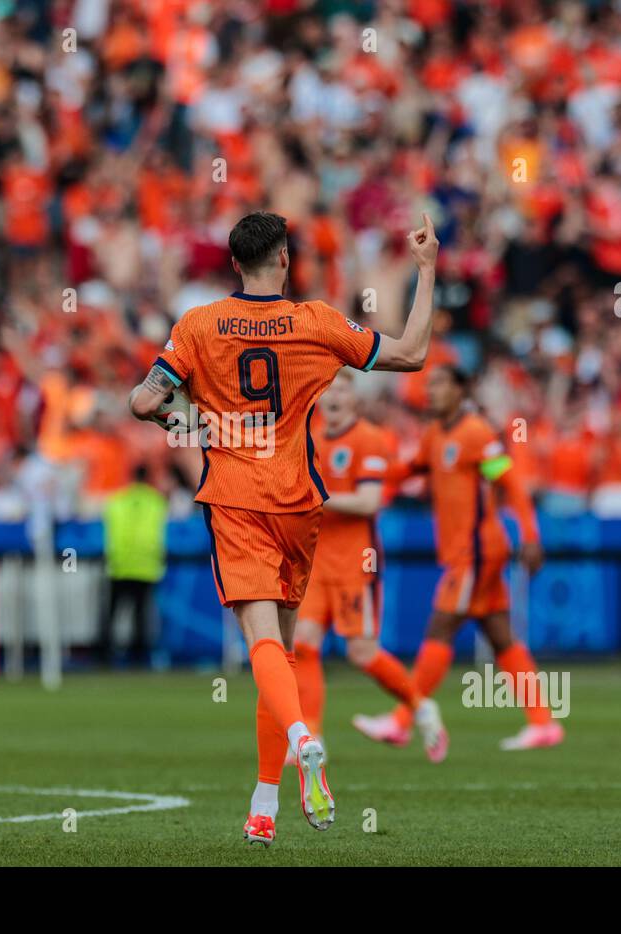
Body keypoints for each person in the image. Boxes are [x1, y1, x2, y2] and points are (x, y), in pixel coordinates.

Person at [129, 210, 439, 847]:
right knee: (286, 653)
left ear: (235, 264)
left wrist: (188, 425)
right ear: (287, 260)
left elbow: (143, 401)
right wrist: (427, 269)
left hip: (237, 498)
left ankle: (303, 739)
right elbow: (410, 354)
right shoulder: (316, 321)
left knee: (262, 646)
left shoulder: (199, 324)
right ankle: (264, 805)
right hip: (300, 501)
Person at [355, 364, 563, 756]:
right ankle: (543, 723)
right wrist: (369, 480)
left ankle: (402, 720)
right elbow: (409, 470)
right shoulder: (435, 435)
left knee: (440, 627)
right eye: (428, 384)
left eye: (439, 384)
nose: (429, 391)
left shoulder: (476, 433)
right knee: (501, 636)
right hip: (465, 553)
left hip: (477, 552)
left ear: (460, 389)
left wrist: (531, 536)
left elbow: (510, 484)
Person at [290, 369, 440, 762]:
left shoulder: (370, 439)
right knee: (303, 645)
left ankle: (419, 706)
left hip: (357, 562)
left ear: (354, 398)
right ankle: (312, 737)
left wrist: (316, 499)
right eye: (327, 389)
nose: (333, 397)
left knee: (361, 653)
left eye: (341, 389)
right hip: (316, 562)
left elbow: (369, 501)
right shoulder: (311, 439)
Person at [98, 466, 168, 666]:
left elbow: (107, 530)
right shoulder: (157, 502)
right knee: (141, 614)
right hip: (146, 565)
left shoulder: (116, 501)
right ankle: (139, 657)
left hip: (119, 564)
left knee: (113, 612)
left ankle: (105, 656)